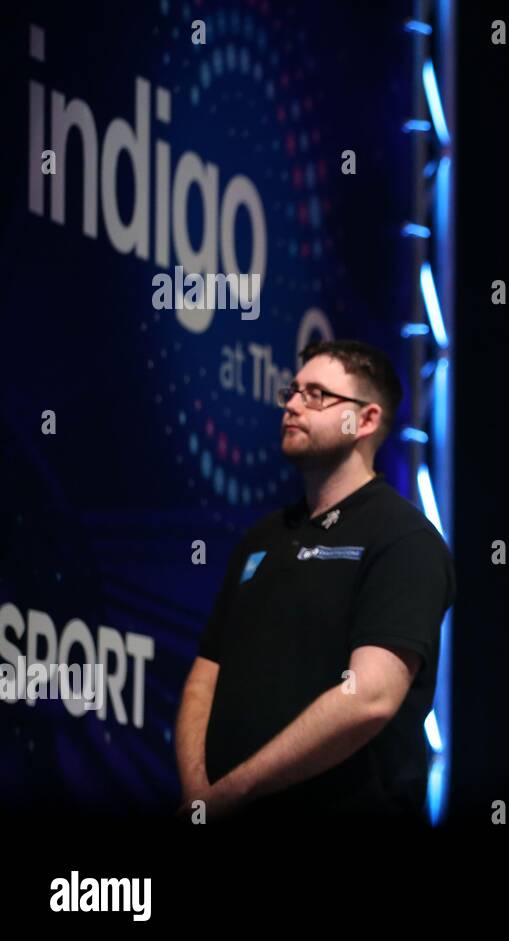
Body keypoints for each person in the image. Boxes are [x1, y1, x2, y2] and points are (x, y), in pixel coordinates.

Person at [174, 339, 455, 821]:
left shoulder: (404, 539)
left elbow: (370, 697)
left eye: (317, 395)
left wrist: (233, 792)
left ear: (365, 421)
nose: (293, 404)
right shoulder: (261, 538)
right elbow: (205, 678)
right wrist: (201, 795)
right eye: (293, 391)